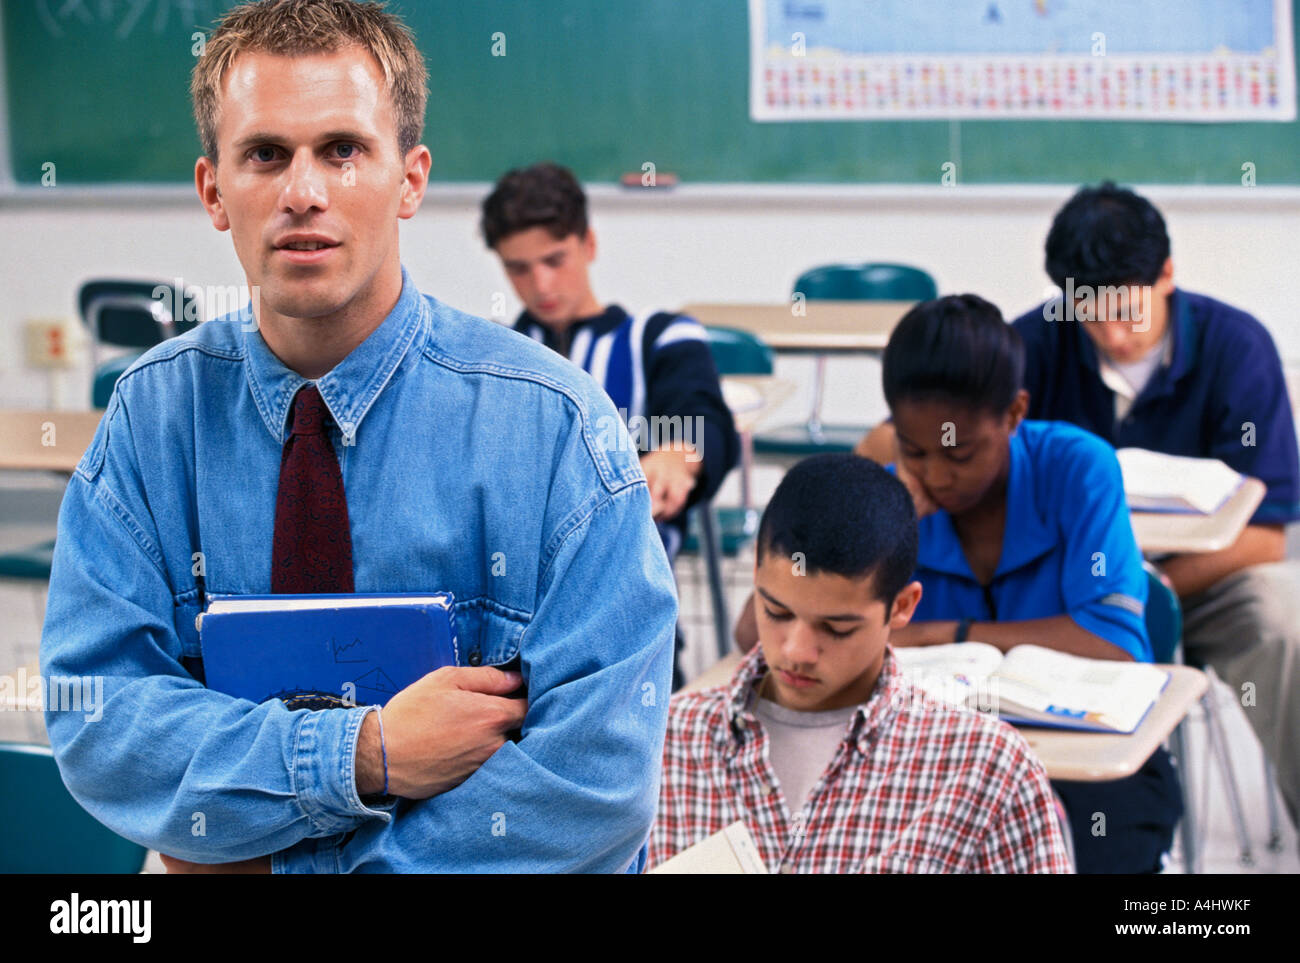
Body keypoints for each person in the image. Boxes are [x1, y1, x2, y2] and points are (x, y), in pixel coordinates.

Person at [39, 0, 675, 874]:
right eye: (266, 154)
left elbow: (594, 788)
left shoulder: (555, 428)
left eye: (343, 150)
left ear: (410, 179)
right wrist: (364, 753)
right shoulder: (152, 422)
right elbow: (102, 719)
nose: (304, 191)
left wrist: (294, 864)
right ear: (213, 191)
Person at [751, 295, 1183, 872]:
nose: (936, 474)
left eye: (960, 453)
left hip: (1087, 774)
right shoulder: (891, 499)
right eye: (914, 449)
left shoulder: (1079, 468)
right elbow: (761, 630)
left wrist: (941, 634)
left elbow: (1117, 644)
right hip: (934, 773)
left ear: (1013, 413)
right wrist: (884, 504)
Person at [1008, 182, 1300, 830]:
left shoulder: (1237, 348)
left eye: (1128, 314)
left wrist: (1147, 591)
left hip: (1199, 585)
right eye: (1091, 314)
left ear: (1167, 275)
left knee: (1285, 624)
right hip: (1064, 597)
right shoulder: (1029, 347)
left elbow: (1267, 535)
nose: (1113, 335)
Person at [650, 453, 1072, 873]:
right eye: (776, 612)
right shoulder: (660, 745)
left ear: (902, 607)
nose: (796, 650)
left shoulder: (987, 771)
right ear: (756, 572)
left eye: (836, 628)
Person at [480, 162, 739, 688]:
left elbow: (705, 417)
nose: (541, 284)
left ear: (589, 244)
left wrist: (676, 456)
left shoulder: (660, 338)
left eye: (555, 260)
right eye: (520, 269)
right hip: (513, 637)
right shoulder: (494, 357)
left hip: (630, 628)